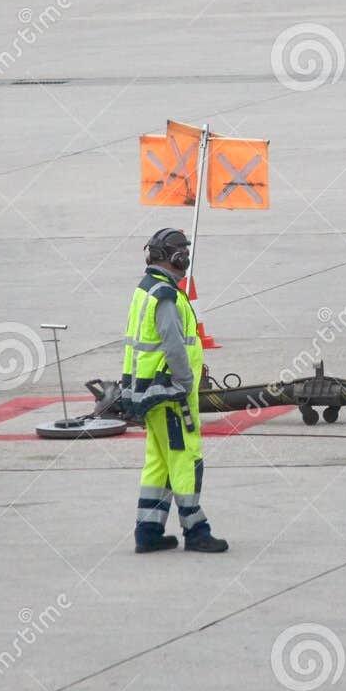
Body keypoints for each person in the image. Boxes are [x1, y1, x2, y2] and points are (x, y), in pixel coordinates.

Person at [122, 228, 228, 554]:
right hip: (169, 395)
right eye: (185, 254)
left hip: (147, 392)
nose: (187, 259)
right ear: (176, 258)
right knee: (185, 460)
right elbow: (173, 345)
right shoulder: (166, 296)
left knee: (159, 462)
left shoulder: (146, 289)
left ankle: (148, 532)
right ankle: (196, 530)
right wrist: (185, 383)